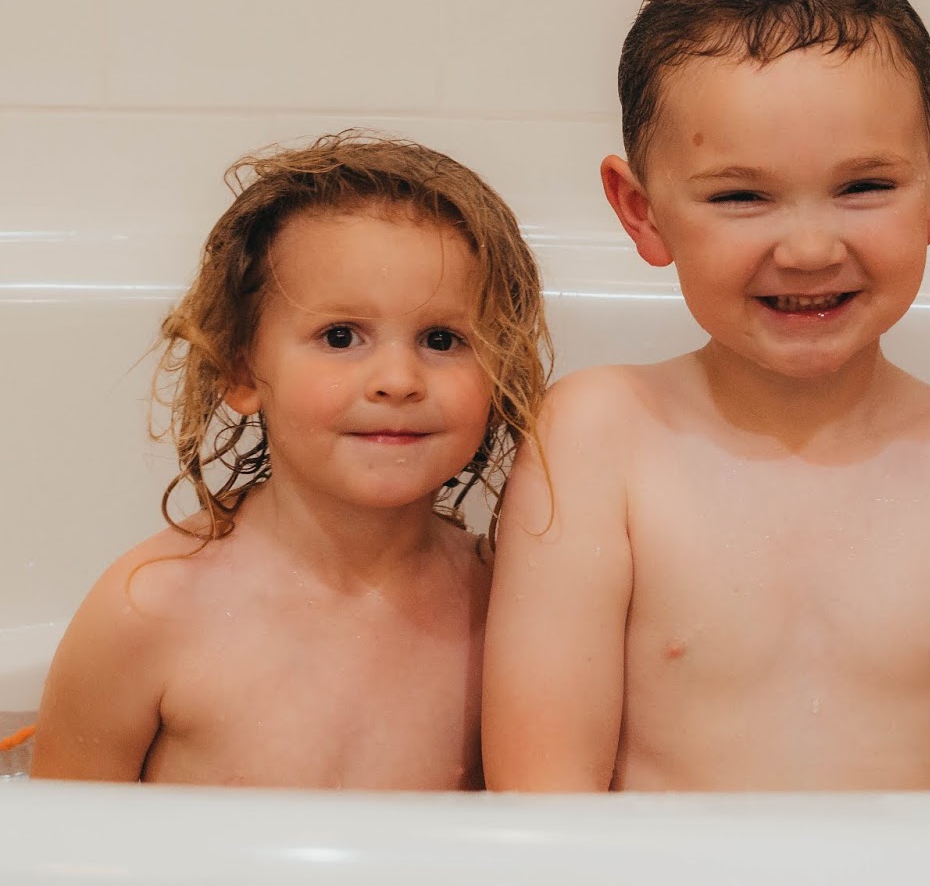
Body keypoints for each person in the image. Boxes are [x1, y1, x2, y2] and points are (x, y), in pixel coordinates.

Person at [483, 0, 930, 792]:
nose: (812, 248)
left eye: (864, 187)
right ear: (641, 214)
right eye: (742, 196)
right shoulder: (597, 440)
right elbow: (544, 797)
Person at [32, 132, 548, 788]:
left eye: (441, 340)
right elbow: (57, 850)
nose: (398, 379)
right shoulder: (152, 609)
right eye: (340, 337)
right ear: (241, 370)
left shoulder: (506, 610)